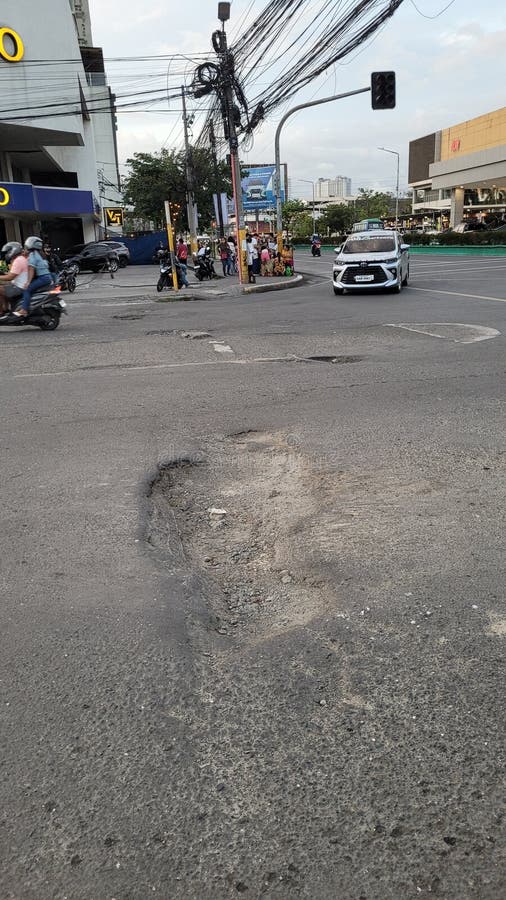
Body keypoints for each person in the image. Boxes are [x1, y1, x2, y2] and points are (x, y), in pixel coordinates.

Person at [11, 236, 53, 318]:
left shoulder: (33, 255)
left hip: (42, 278)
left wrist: (28, 282)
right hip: (48, 277)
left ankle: (24, 310)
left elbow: (31, 269)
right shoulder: (41, 254)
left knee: (26, 290)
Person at [0, 242, 29, 315]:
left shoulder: (18, 260)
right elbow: (12, 274)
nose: (7, 254)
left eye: (8, 251)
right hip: (19, 285)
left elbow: (10, 277)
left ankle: (2, 311)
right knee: (3, 288)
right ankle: (7, 309)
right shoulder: (21, 258)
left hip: (19, 287)